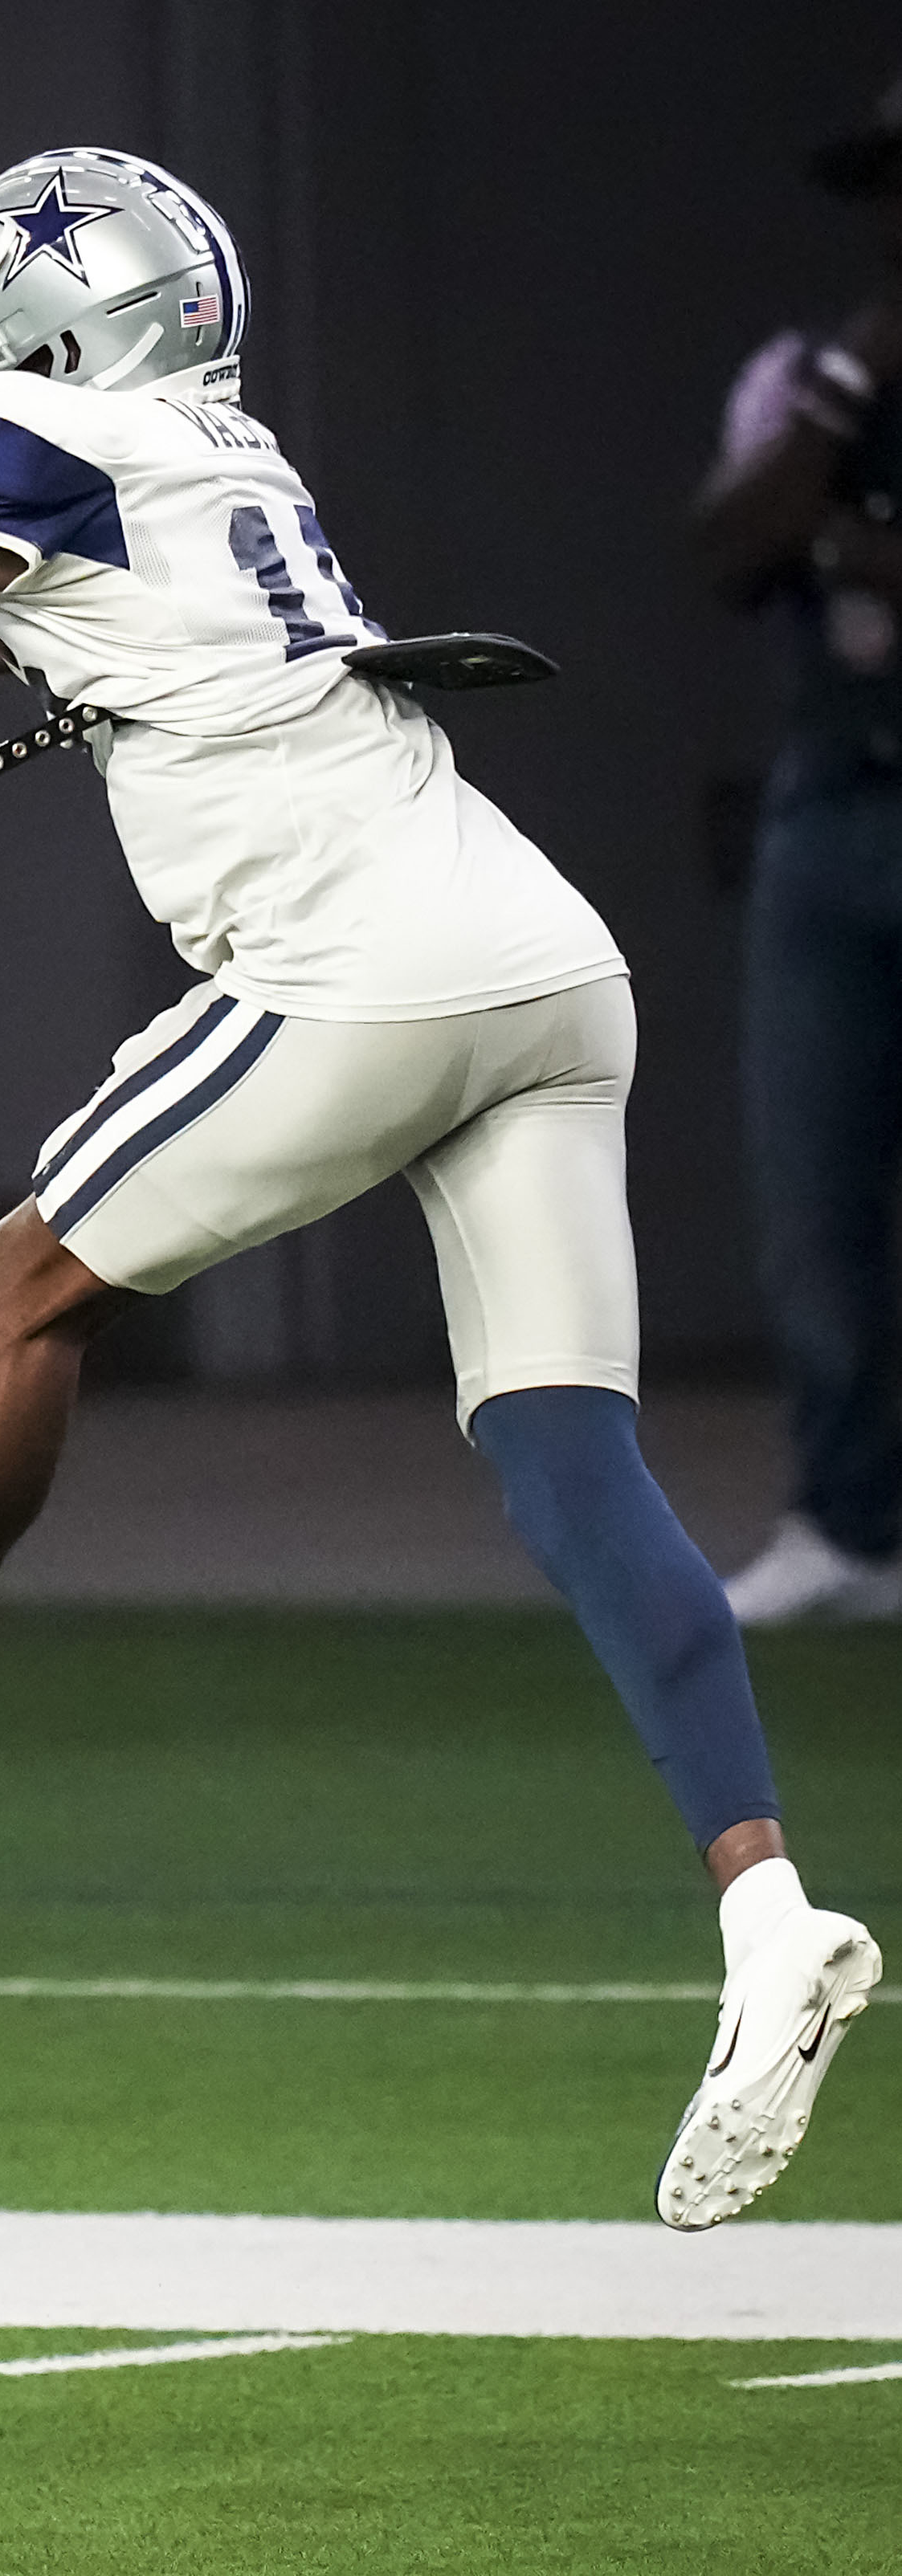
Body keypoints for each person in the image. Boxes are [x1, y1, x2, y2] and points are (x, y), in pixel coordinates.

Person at [0, 148, 881, 2232]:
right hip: (539, 960)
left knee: (23, 1282)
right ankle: (763, 1925)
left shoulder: (63, 442)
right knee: (570, 1459)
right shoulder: (189, 461)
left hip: (362, 965)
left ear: (48, 331)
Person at [699, 77, 902, 1628]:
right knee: (817, 1193)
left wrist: (839, 542)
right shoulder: (807, 372)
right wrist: (849, 383)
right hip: (831, 806)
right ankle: (847, 1524)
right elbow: (727, 544)